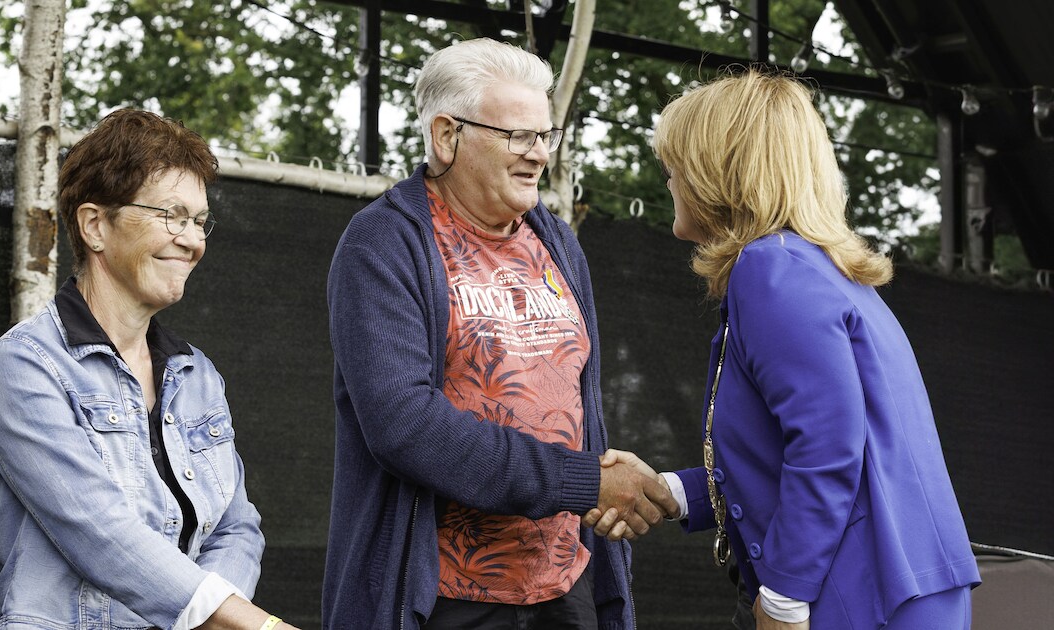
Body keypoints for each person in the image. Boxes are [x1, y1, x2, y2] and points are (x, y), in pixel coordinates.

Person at [589, 70, 982, 629]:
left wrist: (783, 596)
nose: (668, 176)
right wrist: (672, 491)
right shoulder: (820, 269)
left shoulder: (770, 268)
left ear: (716, 168)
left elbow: (827, 448)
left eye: (674, 160)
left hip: (863, 597)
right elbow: (794, 451)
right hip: (894, 591)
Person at [323, 37, 674, 630]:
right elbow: (405, 426)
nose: (538, 155)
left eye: (545, 136)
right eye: (517, 136)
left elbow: (581, 403)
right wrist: (585, 482)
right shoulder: (384, 242)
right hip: (446, 597)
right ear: (446, 136)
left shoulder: (557, 242)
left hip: (564, 586)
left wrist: (601, 501)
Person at [0, 109, 298, 630]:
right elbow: (102, 534)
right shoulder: (24, 366)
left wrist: (214, 622)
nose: (192, 241)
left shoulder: (198, 376)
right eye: (171, 215)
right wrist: (255, 625)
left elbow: (236, 530)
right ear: (95, 225)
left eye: (198, 221)